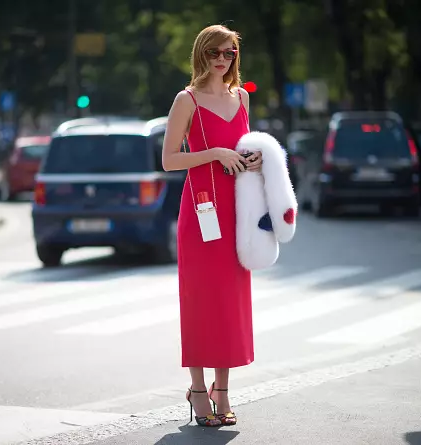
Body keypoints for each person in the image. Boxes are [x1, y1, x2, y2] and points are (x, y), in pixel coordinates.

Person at [162, 24, 263, 427]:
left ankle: (223, 389)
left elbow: (243, 149)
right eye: (215, 53)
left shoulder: (241, 97)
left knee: (229, 302)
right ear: (201, 55)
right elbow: (170, 160)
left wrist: (251, 159)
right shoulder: (185, 100)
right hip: (202, 213)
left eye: (230, 54)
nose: (222, 60)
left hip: (237, 212)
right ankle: (198, 388)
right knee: (201, 300)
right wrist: (214, 152)